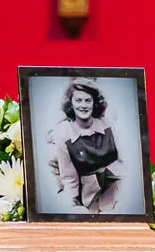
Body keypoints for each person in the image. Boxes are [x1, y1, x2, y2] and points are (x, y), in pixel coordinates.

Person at [44, 79, 121, 212]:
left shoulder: (108, 123)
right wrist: (72, 207)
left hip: (117, 187)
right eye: (78, 100)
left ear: (94, 103)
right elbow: (69, 178)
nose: (83, 105)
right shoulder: (63, 133)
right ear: (71, 103)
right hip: (89, 195)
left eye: (88, 100)